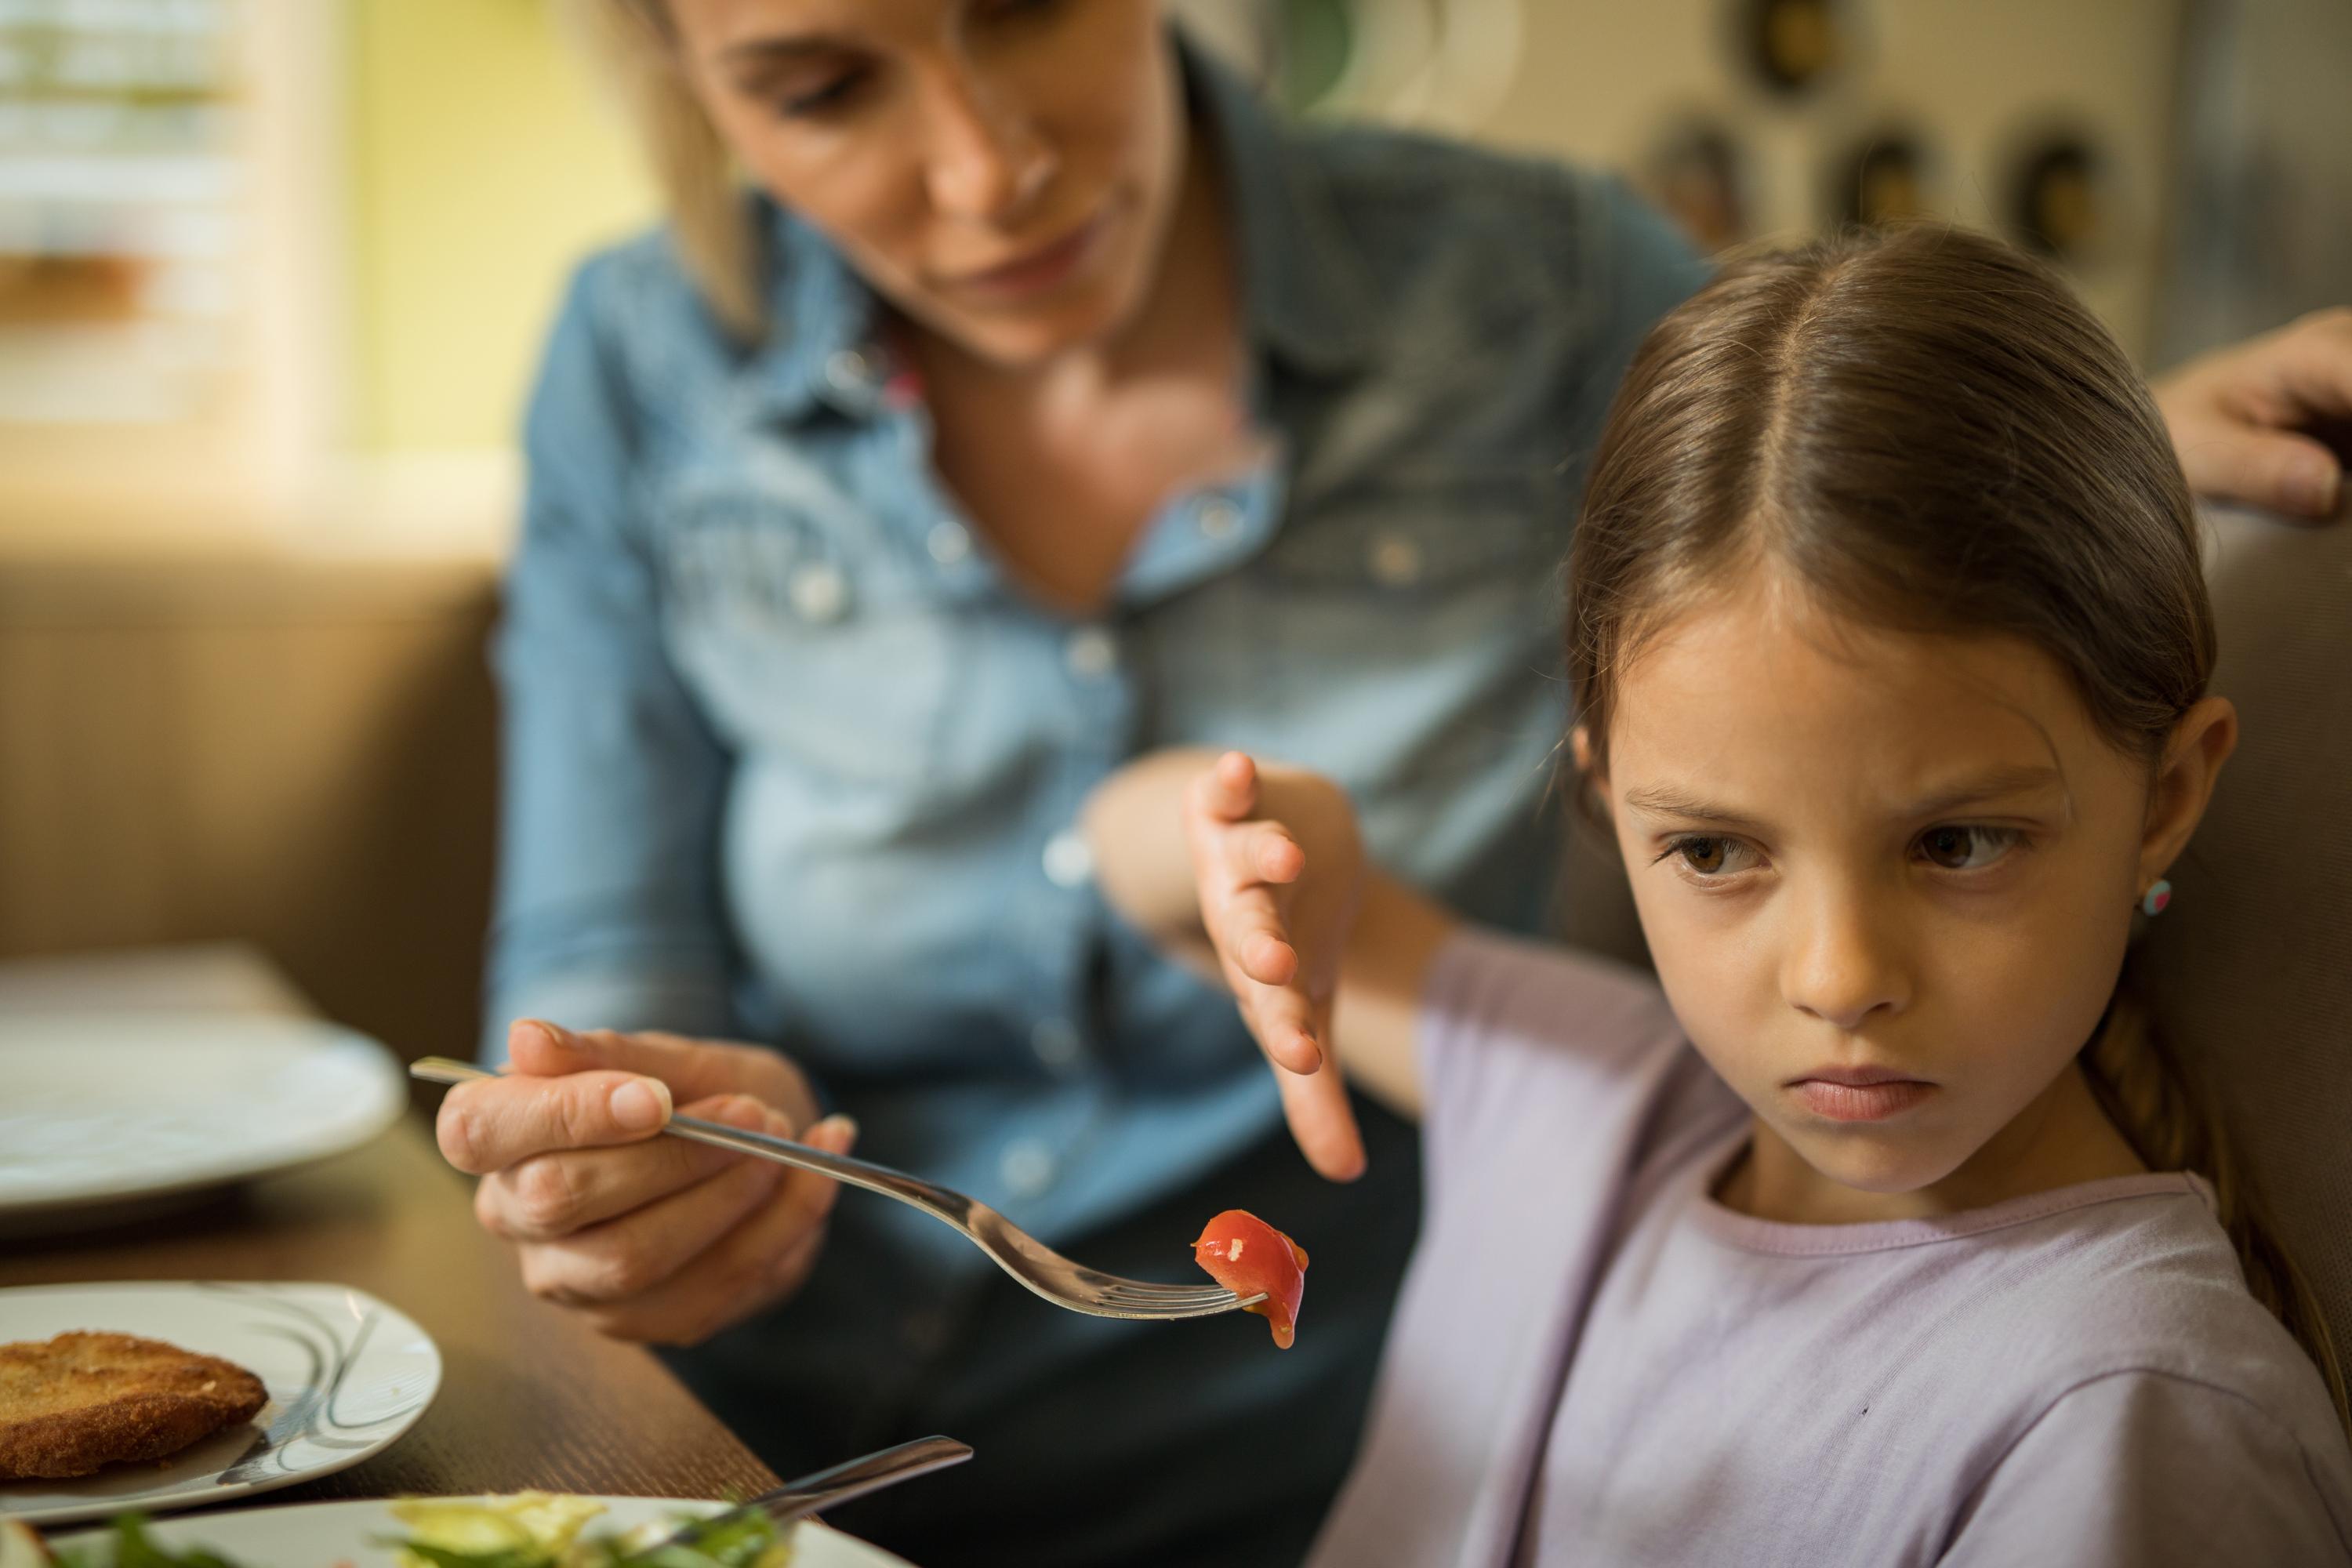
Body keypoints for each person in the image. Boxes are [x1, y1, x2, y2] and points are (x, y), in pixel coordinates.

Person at [430, 2, 2352, 1562]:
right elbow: (615, 952)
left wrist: (2118, 466)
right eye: (824, 82)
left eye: (1025, 5)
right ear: (682, 72)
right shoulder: (637, 362)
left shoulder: (1535, 292)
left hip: (1260, 1469)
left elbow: (1815, 501)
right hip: (746, 1439)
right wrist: (647, 1134)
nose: (985, 162)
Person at [1084, 224, 2352, 1565]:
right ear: (1610, 798)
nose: (1836, 975)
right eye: (1711, 853)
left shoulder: (2129, 1420)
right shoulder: (1583, 1100)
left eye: (1960, 845)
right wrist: (1247, 830)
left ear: (2165, 799)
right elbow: (1144, 875)